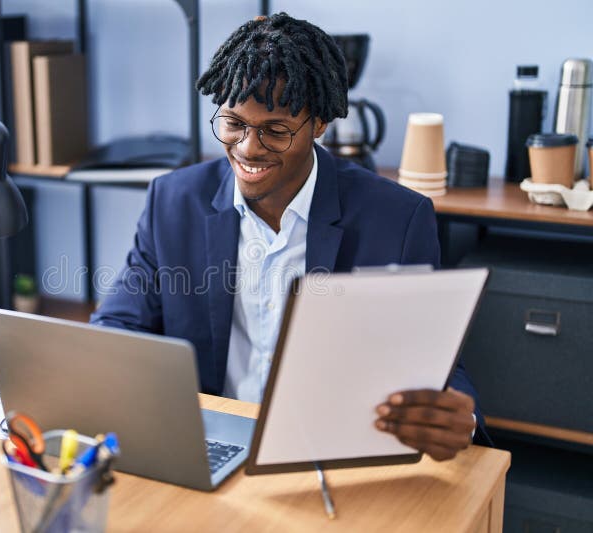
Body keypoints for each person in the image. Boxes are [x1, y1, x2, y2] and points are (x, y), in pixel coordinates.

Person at [91, 12, 488, 461]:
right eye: (233, 123)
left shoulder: (397, 219)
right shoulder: (173, 201)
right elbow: (117, 325)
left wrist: (459, 419)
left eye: (275, 131)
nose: (247, 148)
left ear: (319, 124)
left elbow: (433, 362)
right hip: (206, 443)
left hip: (327, 453)